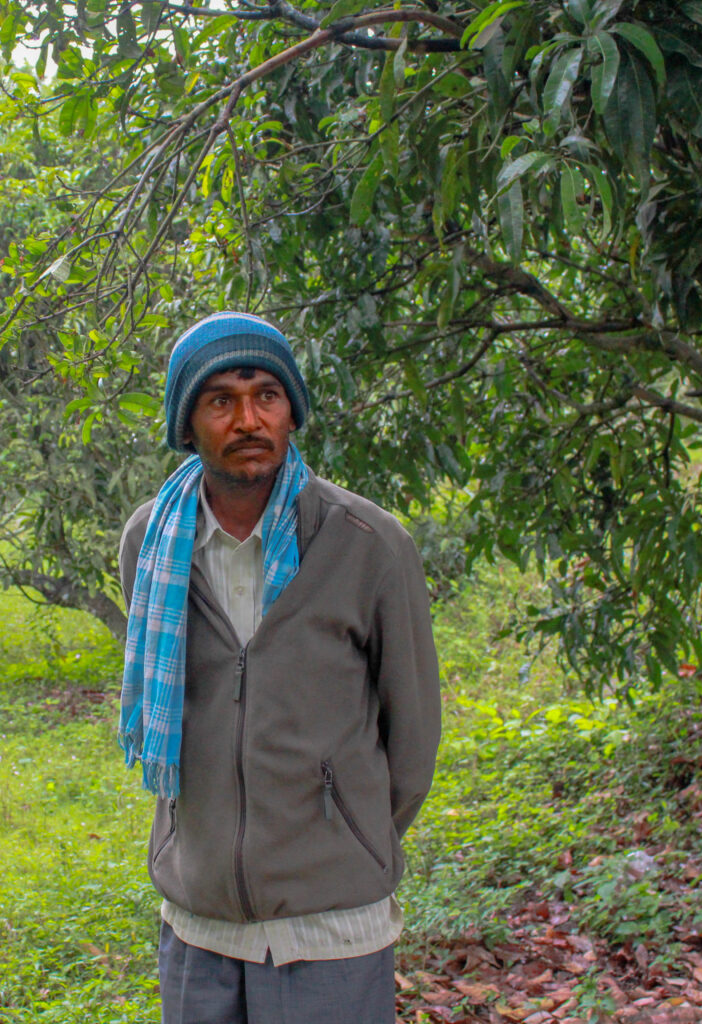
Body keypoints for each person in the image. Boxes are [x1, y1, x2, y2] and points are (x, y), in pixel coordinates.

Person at [118, 311, 442, 1024]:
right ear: (187, 424)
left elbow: (411, 742)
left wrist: (343, 836)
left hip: (330, 925)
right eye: (219, 401)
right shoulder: (149, 541)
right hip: (200, 918)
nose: (247, 419)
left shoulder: (368, 545)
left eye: (266, 395)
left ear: (292, 410)